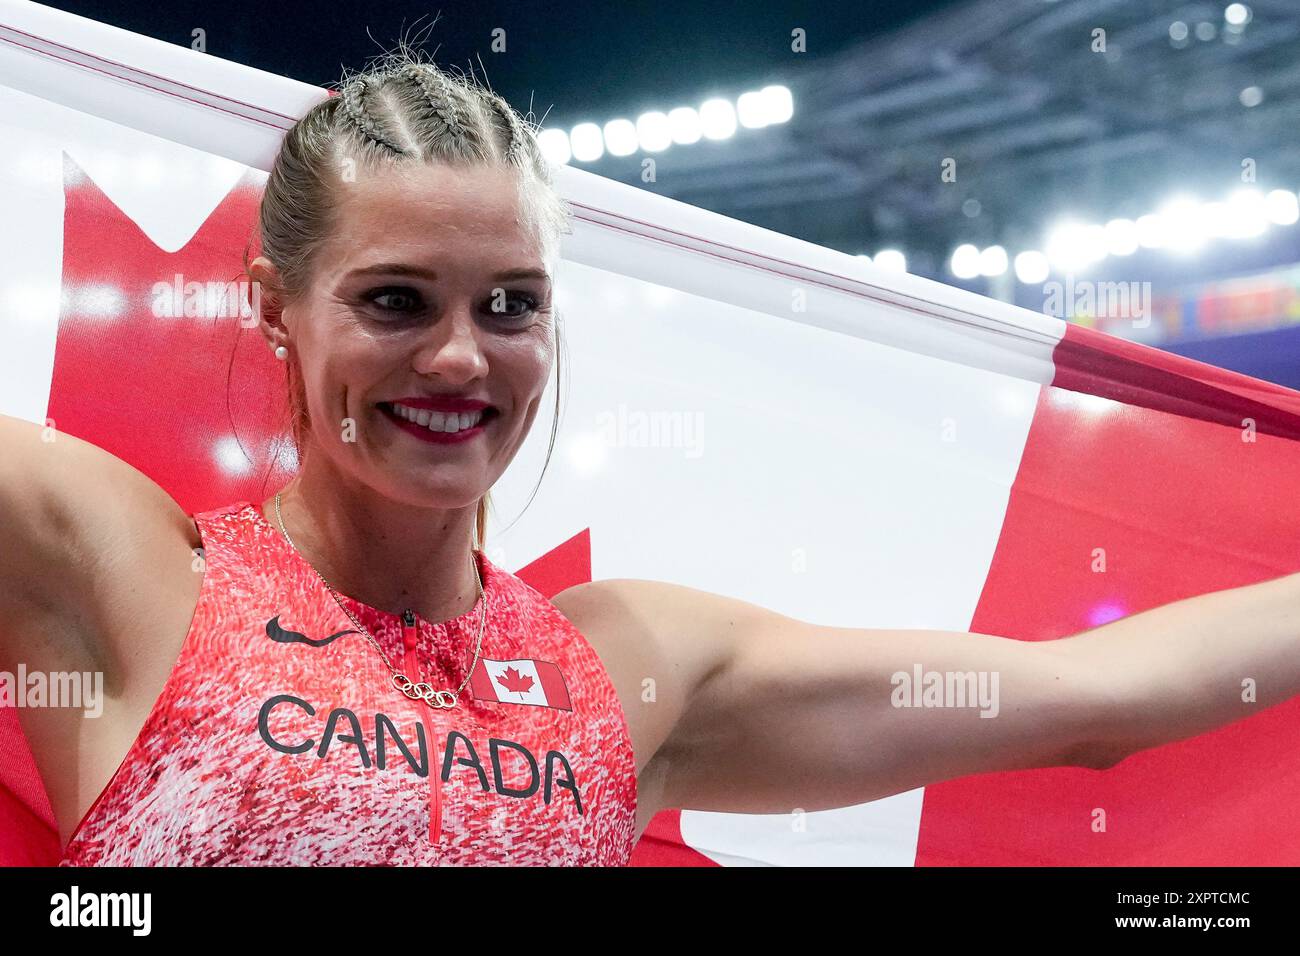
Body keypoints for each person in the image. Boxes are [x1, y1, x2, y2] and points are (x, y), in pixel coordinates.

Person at [3, 53, 1299, 866]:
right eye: (397, 301)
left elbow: (1102, 694)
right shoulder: (122, 572)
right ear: (277, 304)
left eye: (508, 305)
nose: (462, 358)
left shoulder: (634, 671)